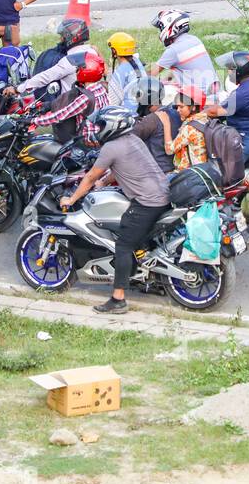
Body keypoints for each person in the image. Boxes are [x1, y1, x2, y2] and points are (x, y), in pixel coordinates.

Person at [60, 106, 172, 315]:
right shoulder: (133, 140)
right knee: (135, 237)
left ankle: (117, 299)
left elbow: (90, 176)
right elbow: (119, 167)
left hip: (147, 202)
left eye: (102, 125)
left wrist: (72, 198)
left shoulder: (110, 147)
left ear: (112, 126)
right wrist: (104, 182)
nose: (99, 128)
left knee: (123, 245)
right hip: (162, 195)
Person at [30, 51, 110, 145]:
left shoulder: (85, 98)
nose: (77, 71)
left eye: (79, 68)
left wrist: (34, 120)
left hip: (87, 143)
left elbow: (60, 116)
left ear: (86, 71)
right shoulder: (101, 89)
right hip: (101, 138)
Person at [207, 51, 249, 161]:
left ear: (239, 72)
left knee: (221, 167)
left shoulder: (243, 93)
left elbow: (214, 112)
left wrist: (200, 112)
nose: (228, 72)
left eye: (231, 69)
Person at [21, 19, 93, 100]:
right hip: (89, 99)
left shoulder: (70, 60)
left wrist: (19, 89)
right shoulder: (91, 51)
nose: (61, 39)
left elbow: (45, 77)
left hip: (68, 105)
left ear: (72, 37)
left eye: (63, 36)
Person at [150, 9, 217, 93]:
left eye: (161, 28)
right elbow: (183, 69)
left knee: (157, 93)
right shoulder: (195, 40)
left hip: (197, 97)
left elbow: (150, 75)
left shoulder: (173, 50)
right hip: (213, 91)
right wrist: (166, 80)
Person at [131, 78, 180, 174]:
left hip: (156, 172)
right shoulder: (175, 113)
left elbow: (129, 137)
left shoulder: (151, 119)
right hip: (172, 168)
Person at [163, 85, 210, 169]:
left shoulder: (190, 128)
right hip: (205, 168)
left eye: (181, 107)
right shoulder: (205, 119)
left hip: (191, 174)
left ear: (194, 107)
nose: (178, 110)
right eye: (177, 107)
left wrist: (166, 124)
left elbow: (169, 150)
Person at [107, 32, 146, 109]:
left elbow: (113, 103)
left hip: (129, 114)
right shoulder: (137, 62)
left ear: (114, 51)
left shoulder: (118, 74)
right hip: (143, 107)